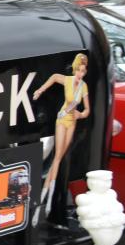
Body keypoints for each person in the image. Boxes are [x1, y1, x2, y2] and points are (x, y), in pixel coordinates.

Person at [31, 53, 90, 218]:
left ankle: (47, 198)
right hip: (62, 119)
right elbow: (55, 77)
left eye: (83, 71)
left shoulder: (83, 87)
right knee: (57, 157)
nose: (80, 74)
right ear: (74, 69)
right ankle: (46, 200)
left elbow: (87, 110)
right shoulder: (68, 81)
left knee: (59, 157)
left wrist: (81, 114)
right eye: (78, 70)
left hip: (72, 121)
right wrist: (40, 90)